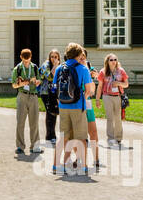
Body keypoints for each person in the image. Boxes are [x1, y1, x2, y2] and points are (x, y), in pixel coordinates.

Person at [53, 43, 93, 175]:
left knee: (63, 137)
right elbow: (88, 90)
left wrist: (61, 101)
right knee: (81, 137)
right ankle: (83, 166)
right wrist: (81, 99)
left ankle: (56, 165)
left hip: (63, 106)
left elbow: (54, 88)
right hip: (77, 106)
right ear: (79, 54)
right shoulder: (82, 68)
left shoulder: (59, 68)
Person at [9, 48, 43, 154]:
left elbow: (39, 80)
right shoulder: (17, 68)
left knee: (34, 122)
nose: (26, 61)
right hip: (22, 95)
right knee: (20, 122)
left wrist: (37, 82)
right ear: (21, 57)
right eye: (24, 59)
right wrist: (22, 84)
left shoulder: (35, 67)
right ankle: (20, 146)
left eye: (28, 59)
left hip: (33, 96)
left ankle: (35, 146)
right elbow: (14, 85)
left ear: (31, 57)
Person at [95, 54, 129, 148]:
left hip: (117, 96)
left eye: (115, 59)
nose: (113, 61)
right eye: (111, 60)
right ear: (107, 61)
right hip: (107, 96)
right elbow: (100, 86)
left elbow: (126, 84)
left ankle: (118, 138)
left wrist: (118, 83)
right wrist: (97, 99)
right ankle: (110, 138)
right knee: (110, 118)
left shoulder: (121, 71)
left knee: (118, 117)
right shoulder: (103, 72)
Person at [41, 48, 62, 146]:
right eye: (52, 57)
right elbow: (50, 76)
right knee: (50, 113)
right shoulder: (46, 65)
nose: (54, 59)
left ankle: (51, 135)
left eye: (56, 57)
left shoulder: (60, 66)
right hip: (45, 92)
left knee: (54, 113)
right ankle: (50, 136)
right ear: (49, 57)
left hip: (54, 92)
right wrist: (55, 66)